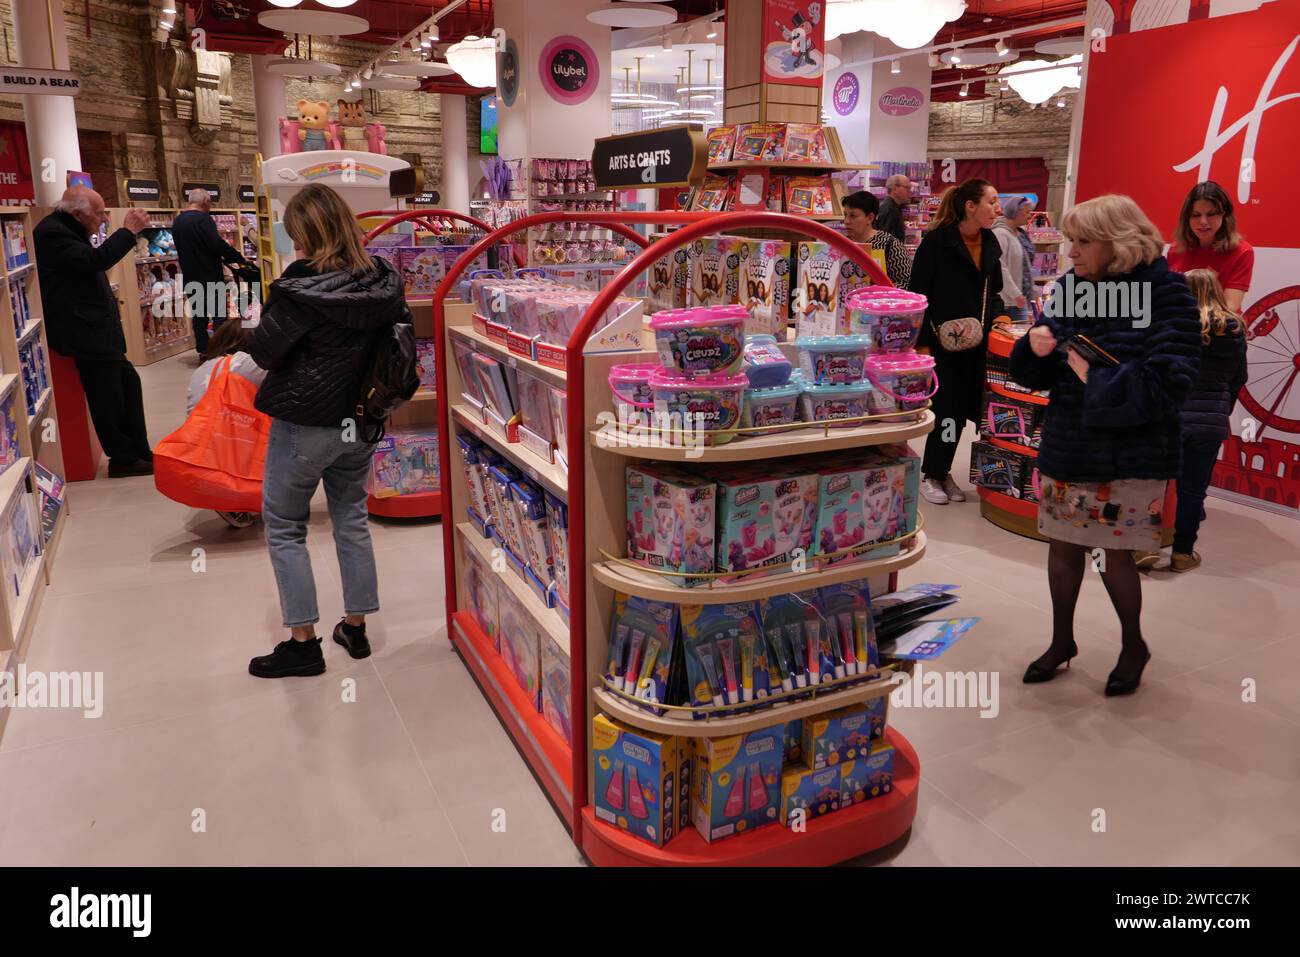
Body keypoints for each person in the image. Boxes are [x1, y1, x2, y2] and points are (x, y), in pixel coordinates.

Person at [1009, 194, 1201, 696]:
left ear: (1117, 243)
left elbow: (1171, 379)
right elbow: (1041, 358)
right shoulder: (1075, 288)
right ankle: (1061, 642)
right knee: (1064, 546)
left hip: (1129, 451)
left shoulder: (1168, 292)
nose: (1070, 252)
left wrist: (1087, 371)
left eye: (1082, 241)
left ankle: (1133, 644)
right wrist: (1035, 346)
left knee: (1117, 555)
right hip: (1071, 441)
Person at [245, 183, 410, 679]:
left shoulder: (298, 288)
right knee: (351, 519)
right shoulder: (383, 279)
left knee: (286, 526)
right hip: (359, 421)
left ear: (306, 234)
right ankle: (355, 627)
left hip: (305, 423)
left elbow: (265, 352)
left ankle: (302, 644)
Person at [33, 187, 155, 478]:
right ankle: (123, 459)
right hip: (84, 331)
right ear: (77, 214)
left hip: (96, 328)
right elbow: (93, 261)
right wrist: (128, 232)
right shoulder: (52, 233)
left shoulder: (66, 228)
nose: (102, 219)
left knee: (126, 383)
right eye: (98, 213)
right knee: (107, 395)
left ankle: (139, 450)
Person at [908, 178, 1004, 505]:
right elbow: (917, 297)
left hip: (977, 345)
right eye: (992, 201)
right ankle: (931, 473)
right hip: (942, 345)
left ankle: (943, 470)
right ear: (970, 206)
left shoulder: (991, 244)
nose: (998, 208)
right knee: (947, 411)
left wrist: (1000, 318)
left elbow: (995, 293)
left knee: (963, 411)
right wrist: (921, 347)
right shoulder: (937, 243)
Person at [1163, 269, 1247, 573]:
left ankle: (1143, 547)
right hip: (1210, 421)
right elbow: (1239, 378)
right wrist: (1222, 410)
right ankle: (1182, 553)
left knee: (1153, 485)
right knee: (1193, 490)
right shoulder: (1235, 328)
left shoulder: (1172, 326)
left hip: (1170, 418)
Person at [186, 319, 268, 531]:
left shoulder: (203, 368)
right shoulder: (245, 363)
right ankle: (242, 494)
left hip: (202, 444)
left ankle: (230, 494)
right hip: (231, 439)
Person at [172, 187, 250, 355]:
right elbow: (215, 244)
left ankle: (203, 351)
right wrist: (237, 257)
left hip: (190, 276)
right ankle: (220, 350)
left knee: (199, 316)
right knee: (219, 316)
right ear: (206, 202)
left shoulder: (178, 221)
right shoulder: (204, 220)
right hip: (210, 276)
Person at [1167, 181, 1254, 313]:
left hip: (1221, 327)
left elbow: (1230, 307)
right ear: (1187, 219)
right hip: (1181, 326)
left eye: (1211, 214)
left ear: (1224, 215)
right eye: (1196, 215)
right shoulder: (1176, 250)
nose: (1203, 222)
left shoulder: (1242, 252)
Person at [842, 190, 911, 288]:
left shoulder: (890, 245)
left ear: (870, 218)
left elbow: (906, 283)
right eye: (845, 215)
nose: (846, 221)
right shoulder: (842, 244)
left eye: (853, 216)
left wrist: (878, 291)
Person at [993, 195, 1037, 324]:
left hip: (1020, 299)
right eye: (1027, 212)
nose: (1030, 216)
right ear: (1016, 211)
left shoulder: (1019, 233)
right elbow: (1000, 267)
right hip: (1009, 302)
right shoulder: (1000, 234)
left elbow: (1025, 267)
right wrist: (1015, 294)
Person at [875, 174, 912, 244]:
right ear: (895, 189)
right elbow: (884, 241)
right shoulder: (890, 209)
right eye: (907, 187)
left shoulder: (893, 207)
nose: (910, 191)